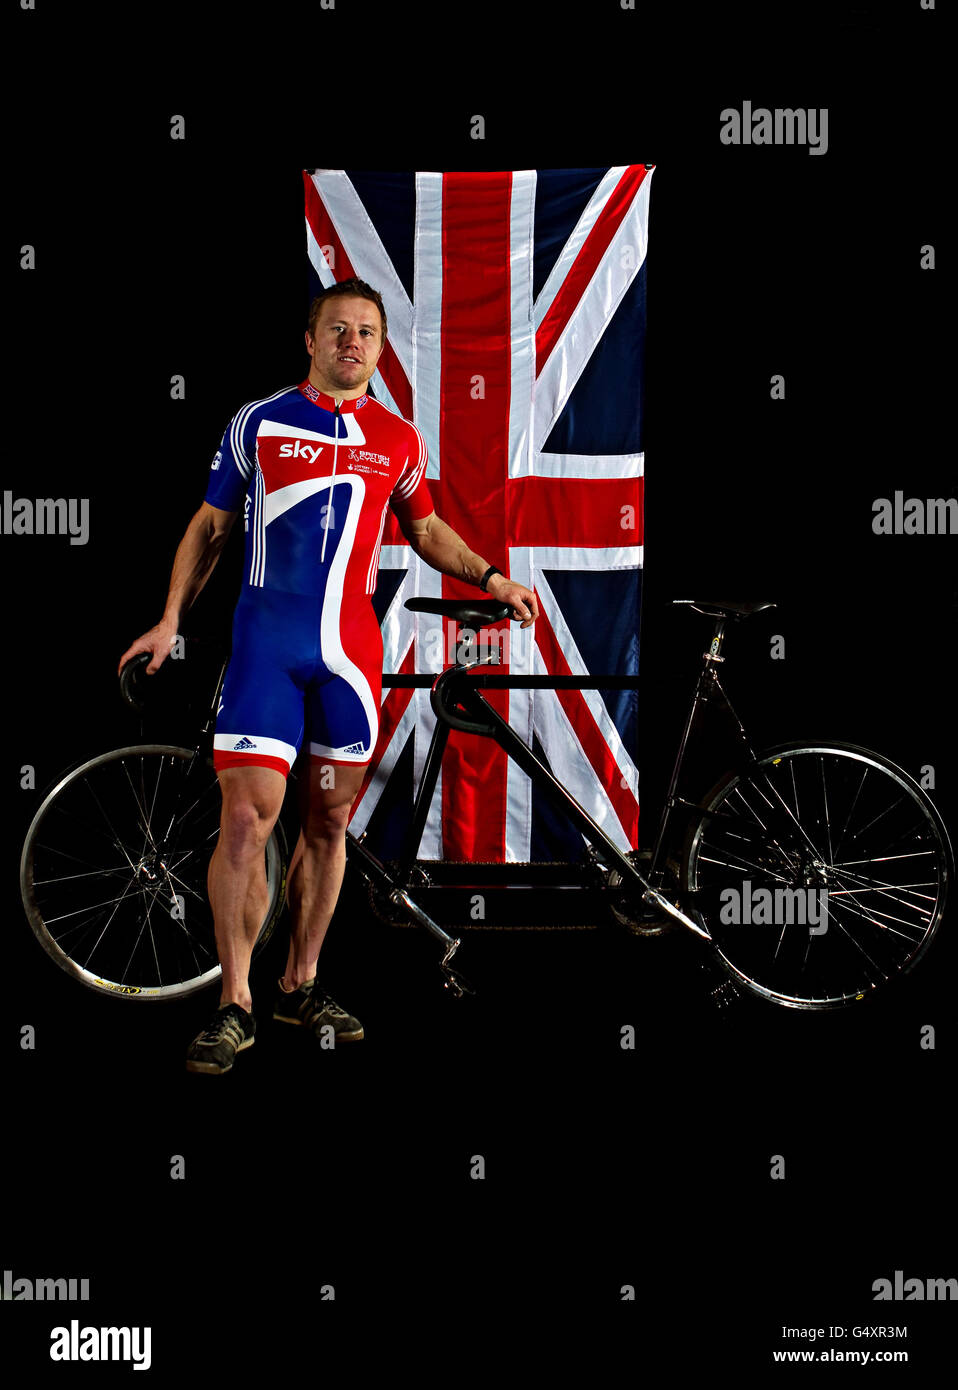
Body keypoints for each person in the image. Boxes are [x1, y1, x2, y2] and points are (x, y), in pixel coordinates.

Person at [119, 277, 538, 1074]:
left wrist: (490, 577)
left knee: (329, 826)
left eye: (368, 333)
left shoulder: (398, 440)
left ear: (381, 350)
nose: (353, 342)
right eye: (338, 329)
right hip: (264, 651)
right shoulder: (260, 421)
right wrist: (171, 618)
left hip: (349, 659)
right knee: (247, 820)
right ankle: (234, 1002)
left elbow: (427, 530)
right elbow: (210, 528)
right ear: (309, 343)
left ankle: (300, 984)